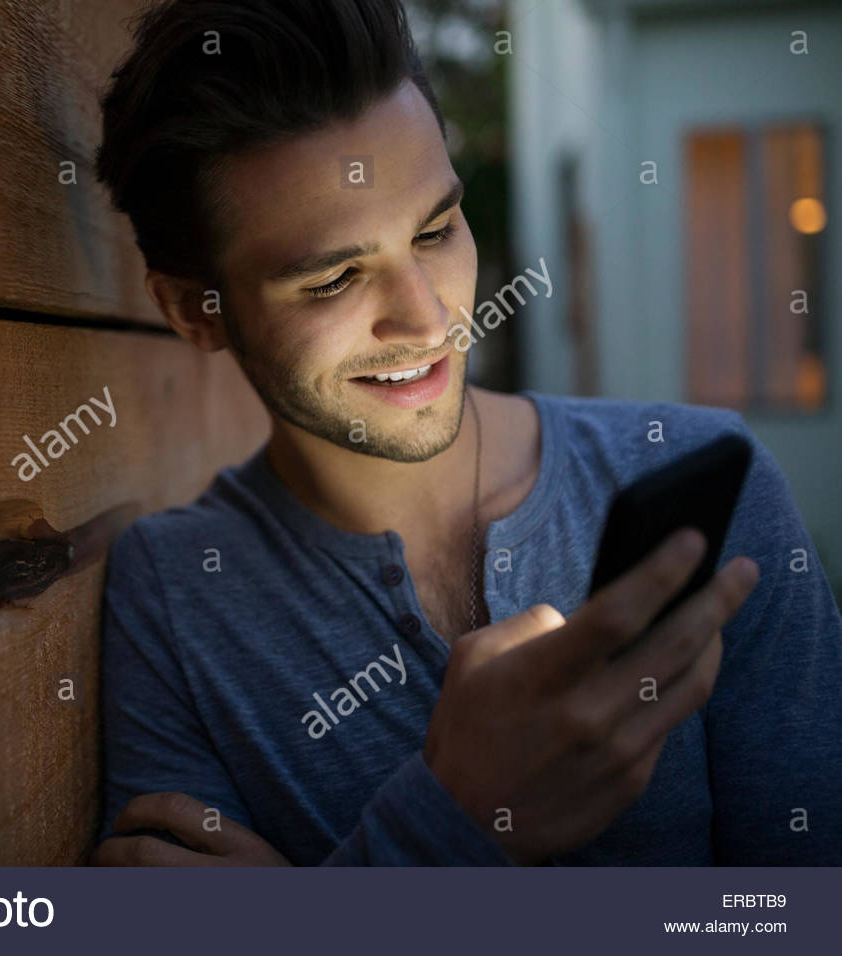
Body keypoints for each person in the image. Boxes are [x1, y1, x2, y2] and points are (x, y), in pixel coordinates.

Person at [88, 0, 842, 865]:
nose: (428, 315)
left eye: (437, 230)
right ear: (196, 310)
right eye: (335, 279)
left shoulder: (707, 483)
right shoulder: (177, 596)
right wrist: (457, 820)